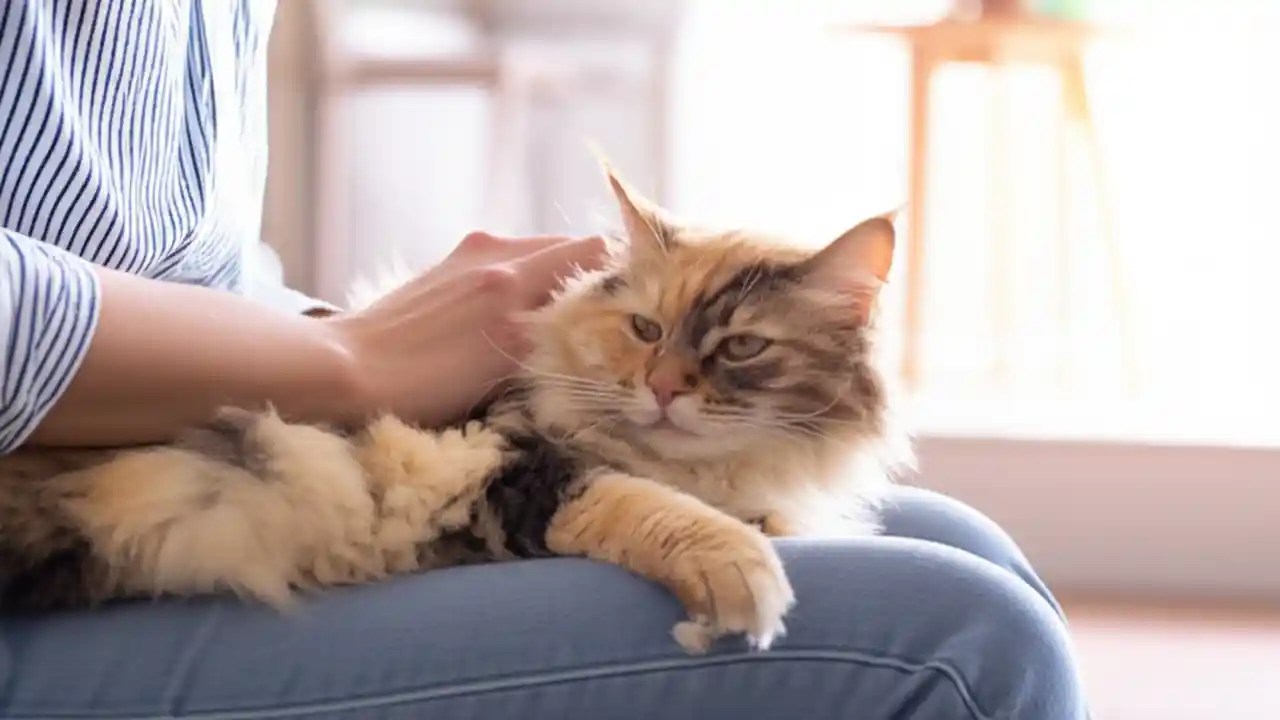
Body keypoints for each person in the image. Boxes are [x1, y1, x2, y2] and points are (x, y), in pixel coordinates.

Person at [0, 3, 1088, 718]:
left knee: (959, 544)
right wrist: (343, 359)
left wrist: (341, 331)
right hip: (50, 573)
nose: (672, 381)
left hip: (174, 453)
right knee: (962, 644)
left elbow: (186, 266)